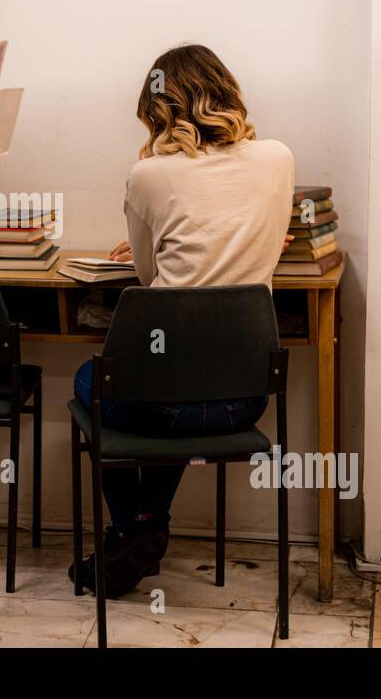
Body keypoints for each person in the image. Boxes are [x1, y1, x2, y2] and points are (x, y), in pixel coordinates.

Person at [70, 43, 294, 597]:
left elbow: (150, 279)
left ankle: (131, 529)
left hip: (164, 402)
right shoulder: (279, 158)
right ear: (225, 90)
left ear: (161, 108)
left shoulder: (148, 174)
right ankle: (147, 528)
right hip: (244, 398)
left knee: (99, 380)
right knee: (175, 382)